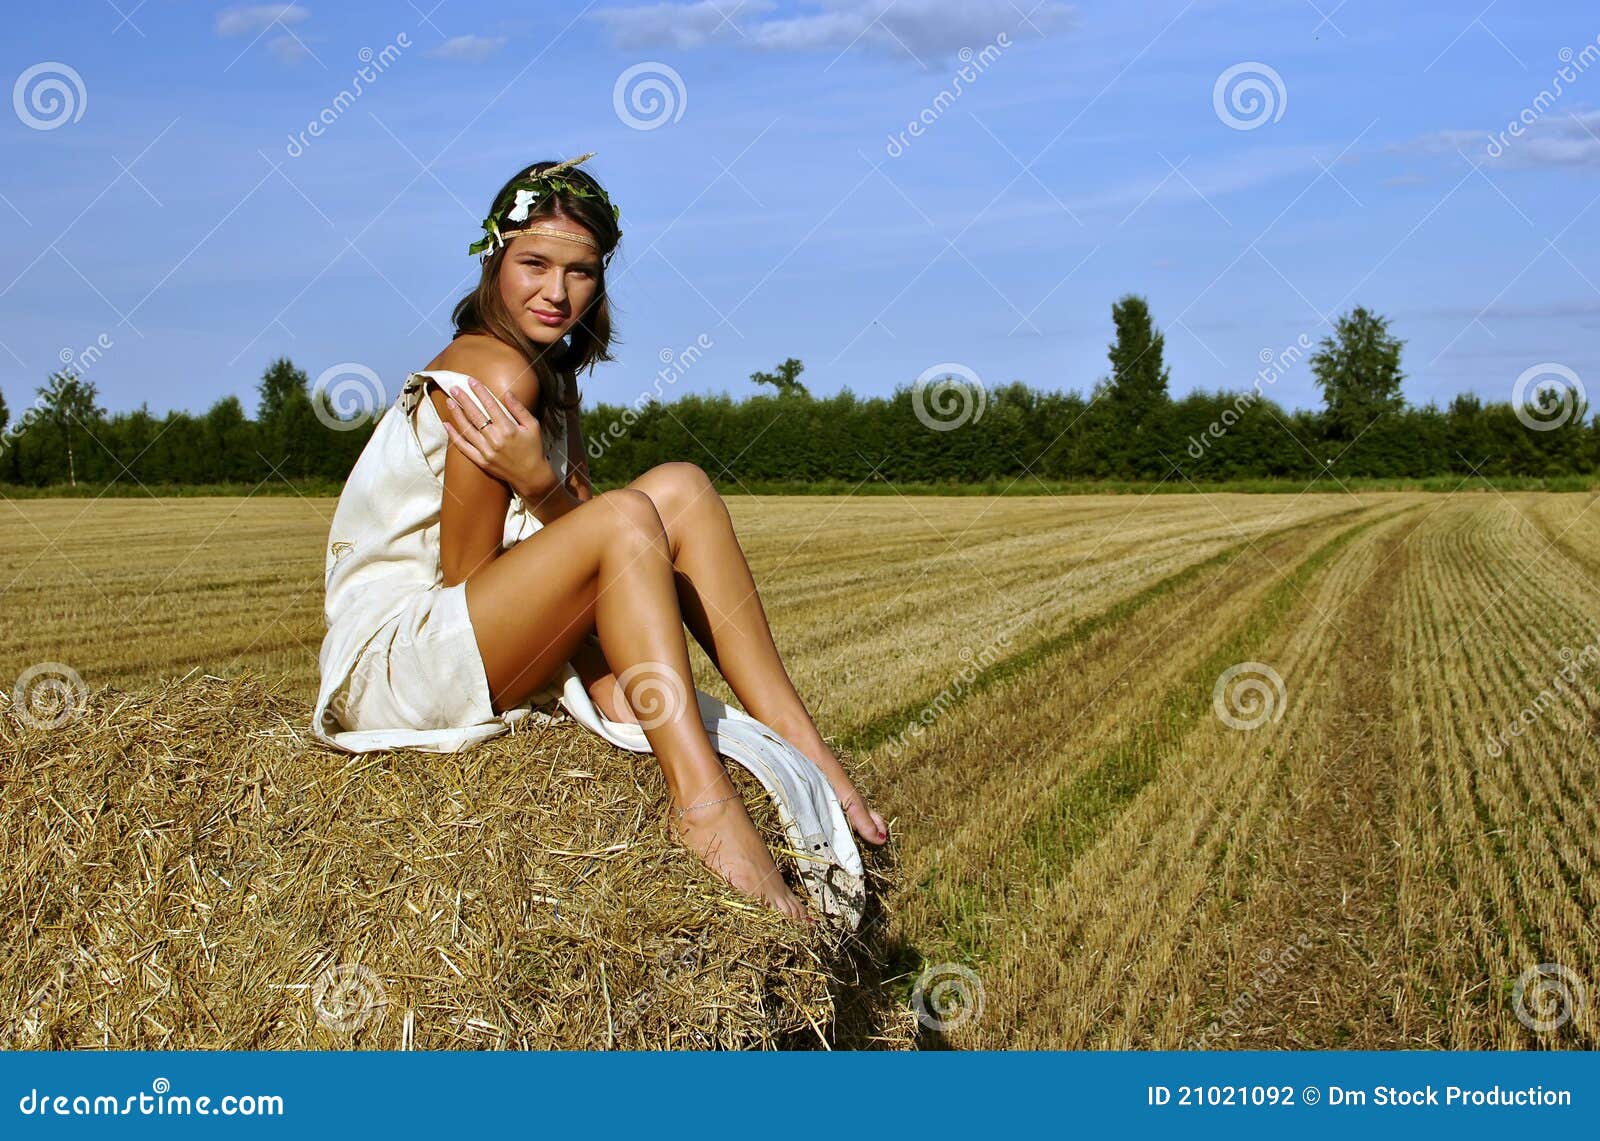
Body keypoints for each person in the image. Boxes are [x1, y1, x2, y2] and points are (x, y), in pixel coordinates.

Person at [312, 154, 886, 921]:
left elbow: (591, 541)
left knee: (679, 486)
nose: (557, 292)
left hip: (475, 631)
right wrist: (546, 490)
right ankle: (703, 806)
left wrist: (549, 490)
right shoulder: (493, 377)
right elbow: (465, 582)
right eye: (535, 263)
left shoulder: (548, 378)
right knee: (624, 514)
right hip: (401, 660)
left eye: (580, 272)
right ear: (494, 259)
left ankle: (815, 762)